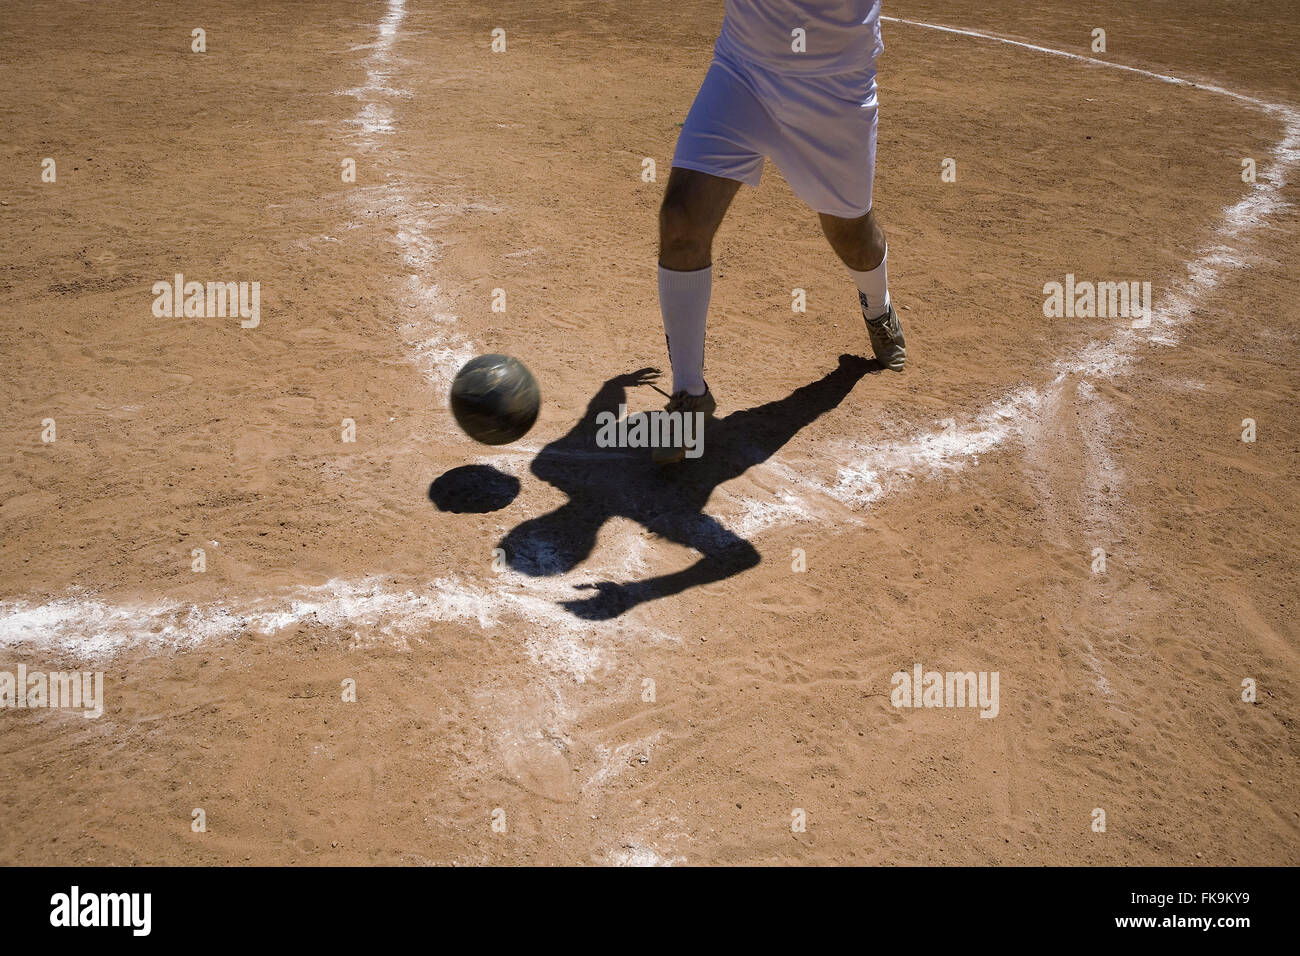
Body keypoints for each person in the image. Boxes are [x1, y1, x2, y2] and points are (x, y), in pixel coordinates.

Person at [654, 0, 904, 464]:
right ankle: (689, 396)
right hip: (742, 71)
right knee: (681, 220)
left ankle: (877, 307)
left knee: (851, 235)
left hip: (834, 88)